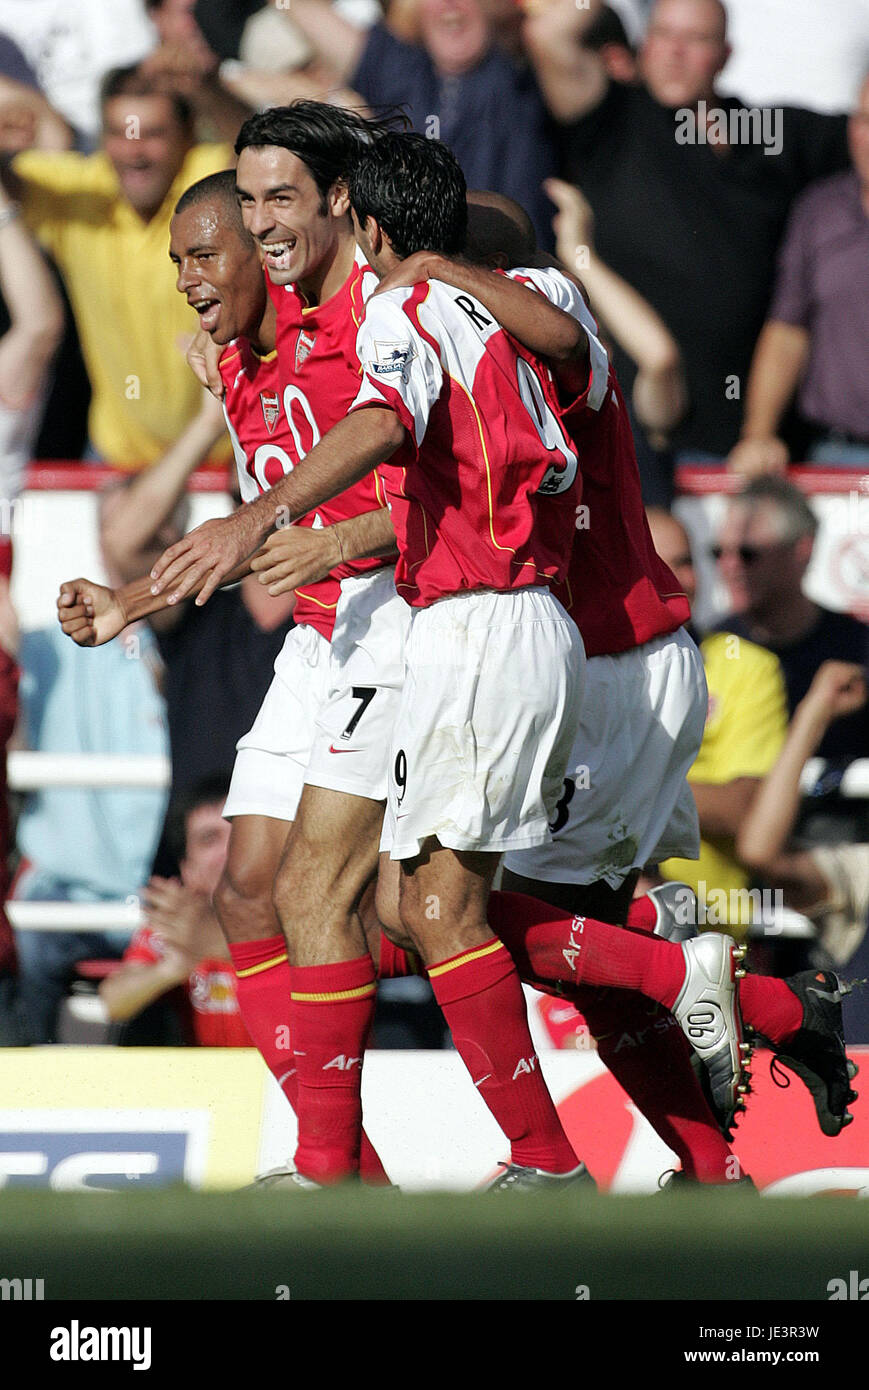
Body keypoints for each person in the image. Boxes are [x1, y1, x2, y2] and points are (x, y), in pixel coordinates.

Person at [150, 131, 759, 1184]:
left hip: (527, 632)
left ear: (366, 223)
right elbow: (544, 318)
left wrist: (267, 516)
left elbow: (388, 423)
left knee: (440, 912)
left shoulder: (413, 312)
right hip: (573, 638)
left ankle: (620, 1052)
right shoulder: (530, 312)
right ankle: (705, 1163)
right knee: (433, 912)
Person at [523, 0, 851, 463]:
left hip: (766, 447)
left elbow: (860, 131)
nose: (675, 52)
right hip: (647, 437)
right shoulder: (611, 120)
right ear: (644, 43)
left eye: (695, 39)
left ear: (725, 54)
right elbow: (548, 33)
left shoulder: (773, 132)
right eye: (663, 35)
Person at [5, 63, 233, 469]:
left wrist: (210, 85)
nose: (134, 151)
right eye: (118, 133)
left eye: (154, 134)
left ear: (188, 138)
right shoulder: (81, 191)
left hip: (230, 460)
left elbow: (258, 150)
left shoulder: (210, 181)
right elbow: (8, 183)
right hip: (117, 467)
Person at [266, 0, 559, 244]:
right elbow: (304, 11)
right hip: (427, 287)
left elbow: (556, 27)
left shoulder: (524, 69)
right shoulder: (402, 72)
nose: (450, 5)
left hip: (522, 279)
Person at [648, 505, 790, 931]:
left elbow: (747, 808)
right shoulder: (581, 665)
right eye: (656, 564)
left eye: (686, 562)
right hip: (591, 924)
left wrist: (612, 787)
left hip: (707, 934)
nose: (679, 580)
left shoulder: (748, 666)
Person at [727, 76, 869, 476]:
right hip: (837, 454)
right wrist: (758, 434)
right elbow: (788, 329)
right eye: (863, 120)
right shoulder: (819, 211)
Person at [712, 477, 869, 767]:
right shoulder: (706, 651)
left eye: (748, 554)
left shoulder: (858, 649)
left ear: (801, 550)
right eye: (718, 552)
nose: (729, 566)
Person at [101, 773, 253, 1046]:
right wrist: (172, 967)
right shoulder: (176, 926)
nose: (228, 850)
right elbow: (114, 1002)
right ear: (187, 868)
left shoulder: (294, 915)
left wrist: (216, 943)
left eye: (240, 833)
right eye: (209, 839)